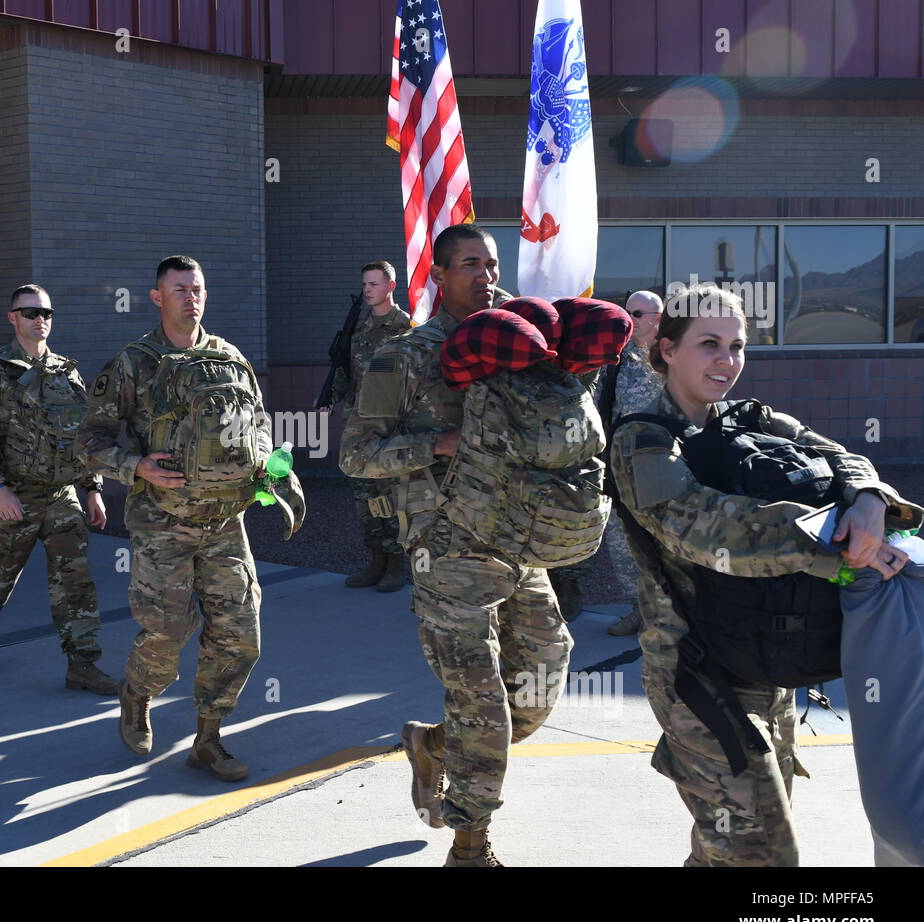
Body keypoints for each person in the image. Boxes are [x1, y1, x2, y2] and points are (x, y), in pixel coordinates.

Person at [611, 284, 919, 866]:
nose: (727, 360)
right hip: (697, 676)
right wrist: (835, 543)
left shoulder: (752, 421)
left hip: (764, 661)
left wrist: (870, 497)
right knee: (764, 855)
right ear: (667, 349)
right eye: (708, 344)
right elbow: (702, 528)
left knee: (729, 842)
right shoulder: (643, 441)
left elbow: (840, 455)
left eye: (737, 345)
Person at [342, 224, 568, 867]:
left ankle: (434, 745)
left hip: (517, 544)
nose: (486, 275)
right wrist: (435, 445)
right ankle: (471, 844)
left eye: (492, 264)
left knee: (542, 680)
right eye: (471, 264)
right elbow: (356, 454)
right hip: (445, 551)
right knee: (483, 700)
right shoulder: (404, 357)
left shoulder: (522, 350)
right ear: (438, 276)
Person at [76, 255, 274, 782]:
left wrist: (266, 468)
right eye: (181, 288)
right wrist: (134, 464)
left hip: (226, 523)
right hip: (162, 523)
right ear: (157, 297)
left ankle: (208, 740)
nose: (192, 297)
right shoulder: (133, 363)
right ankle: (138, 691)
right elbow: (87, 441)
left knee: (241, 635)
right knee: (167, 630)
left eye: (199, 288)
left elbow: (256, 426)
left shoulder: (229, 356)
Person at [0, 284, 116, 695]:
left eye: (46, 312)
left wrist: (92, 487)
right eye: (30, 313)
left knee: (74, 579)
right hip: (12, 495)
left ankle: (82, 662)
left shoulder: (67, 371)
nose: (39, 319)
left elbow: (83, 434)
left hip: (62, 495)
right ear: (13, 318)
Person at [318, 261, 413, 591]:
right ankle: (376, 560)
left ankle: (396, 563)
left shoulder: (406, 328)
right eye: (364, 284)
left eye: (373, 284)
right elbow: (347, 369)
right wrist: (331, 395)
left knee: (392, 497)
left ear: (390, 286)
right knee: (365, 496)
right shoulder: (358, 328)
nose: (367, 290)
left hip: (391, 428)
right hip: (359, 427)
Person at [583, 290, 667, 636]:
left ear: (657, 319)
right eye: (626, 311)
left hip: (657, 467)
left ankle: (669, 613)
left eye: (637, 313)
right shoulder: (615, 357)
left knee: (662, 540)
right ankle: (639, 608)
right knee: (620, 540)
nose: (628, 318)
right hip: (617, 465)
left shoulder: (672, 358)